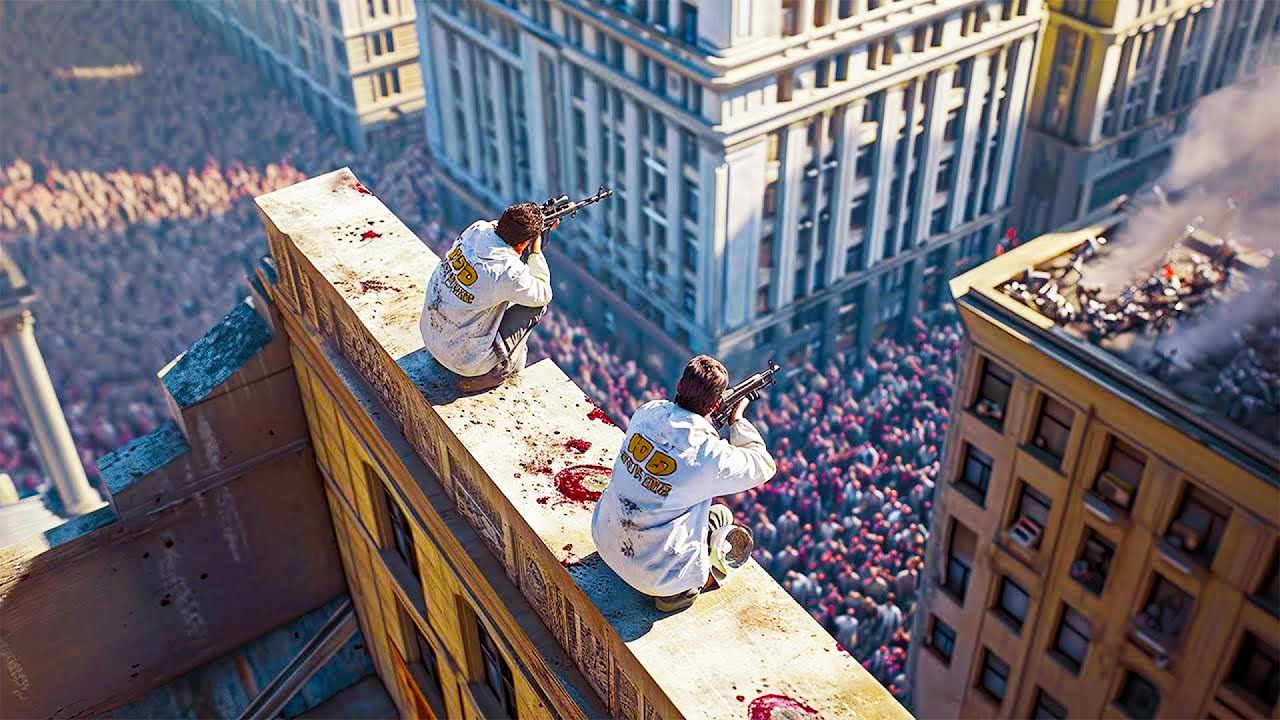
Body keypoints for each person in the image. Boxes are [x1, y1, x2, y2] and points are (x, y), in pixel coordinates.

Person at [592, 355, 777, 612]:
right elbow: (764, 465)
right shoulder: (708, 455)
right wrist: (737, 420)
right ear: (715, 404)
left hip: (604, 538)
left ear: (680, 385)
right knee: (722, 517)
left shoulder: (648, 411)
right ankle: (681, 591)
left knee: (714, 514)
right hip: (652, 577)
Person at [419, 203, 558, 392]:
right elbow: (543, 293)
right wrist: (536, 251)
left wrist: (529, 222)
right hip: (464, 362)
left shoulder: (476, 229)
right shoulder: (508, 272)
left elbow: (499, 230)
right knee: (536, 306)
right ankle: (500, 371)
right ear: (522, 244)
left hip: (430, 336)